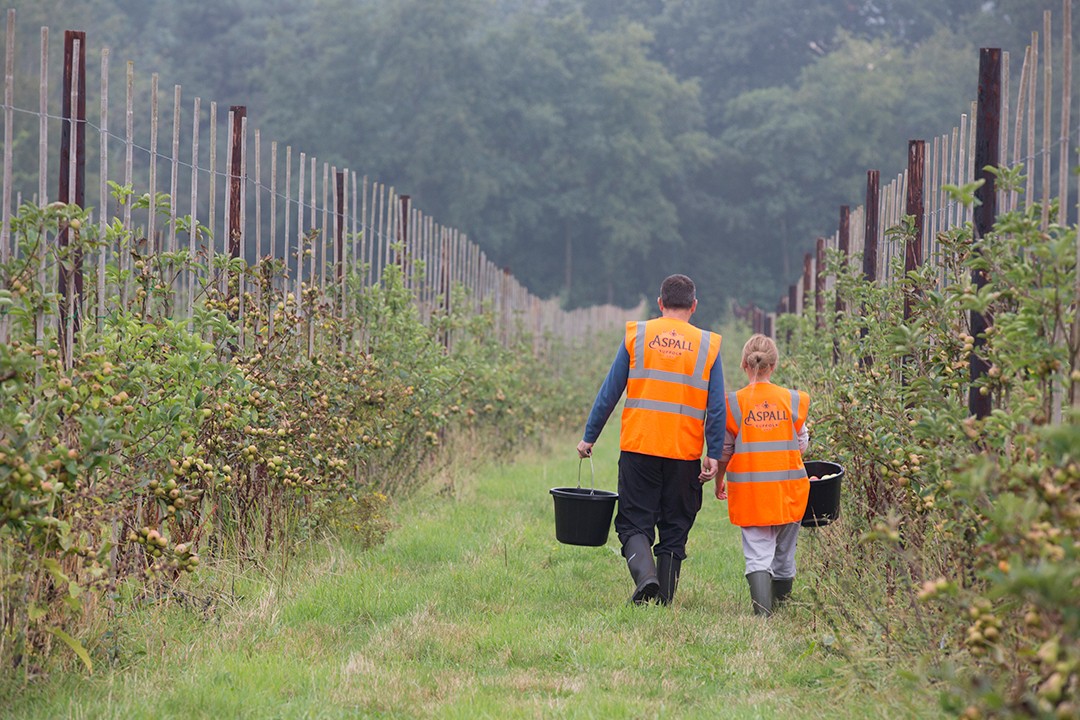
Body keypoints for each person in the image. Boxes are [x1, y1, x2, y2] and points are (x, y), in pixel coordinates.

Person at [577, 274, 725, 606]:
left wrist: (590, 437)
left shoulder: (638, 335)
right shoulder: (708, 344)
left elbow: (610, 392)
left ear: (660, 304)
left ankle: (646, 579)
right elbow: (716, 407)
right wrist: (713, 453)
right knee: (675, 525)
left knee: (633, 522)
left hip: (639, 447)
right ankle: (664, 597)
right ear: (693, 306)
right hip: (683, 452)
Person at [713, 333, 810, 616]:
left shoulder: (733, 404)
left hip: (752, 493)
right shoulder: (793, 400)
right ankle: (782, 607)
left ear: (744, 364)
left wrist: (719, 482)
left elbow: (724, 452)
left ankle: (763, 615)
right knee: (785, 554)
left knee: (758, 553)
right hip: (789, 491)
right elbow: (802, 443)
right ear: (774, 365)